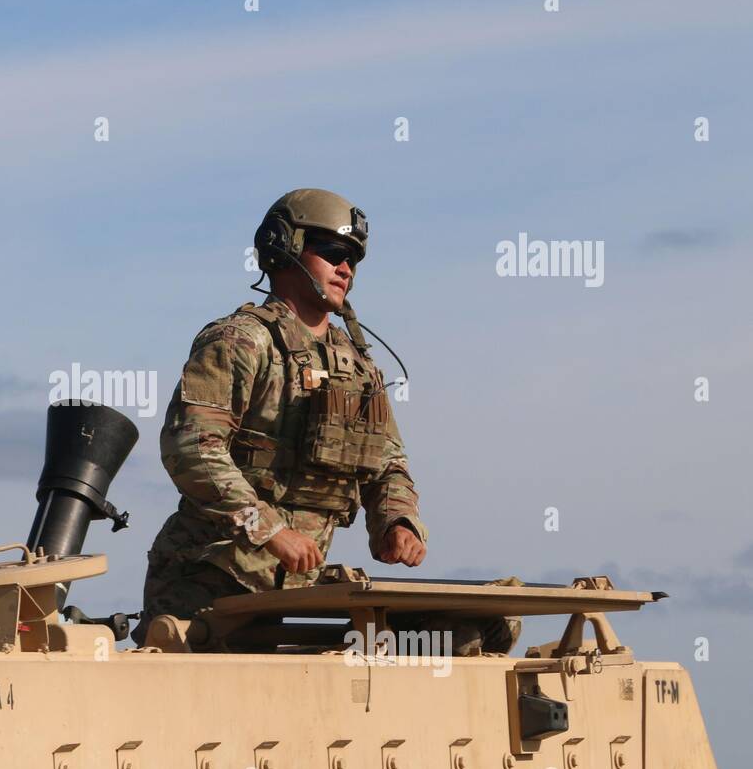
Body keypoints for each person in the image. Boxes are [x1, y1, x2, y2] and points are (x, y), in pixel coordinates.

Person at [136, 188, 517, 655]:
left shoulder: (355, 364)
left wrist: (397, 521)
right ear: (286, 248)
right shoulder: (240, 342)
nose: (346, 269)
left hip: (300, 590)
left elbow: (387, 463)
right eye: (333, 252)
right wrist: (270, 530)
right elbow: (192, 448)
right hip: (208, 585)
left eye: (353, 259)